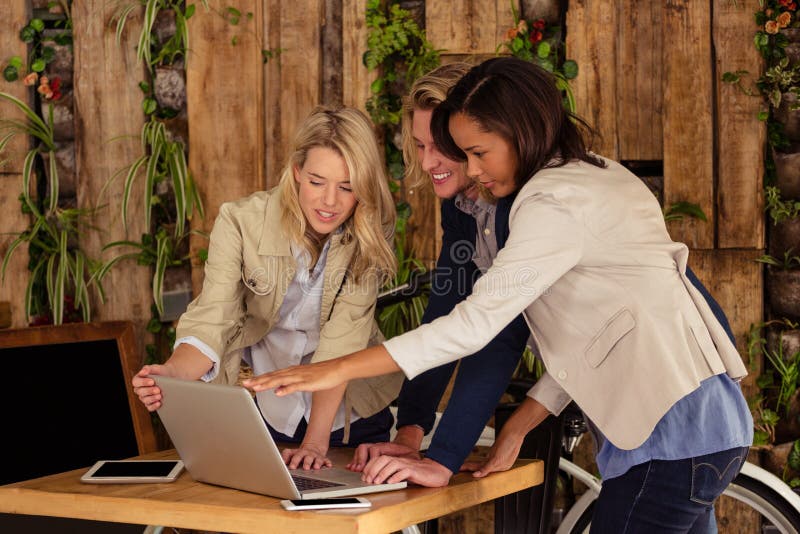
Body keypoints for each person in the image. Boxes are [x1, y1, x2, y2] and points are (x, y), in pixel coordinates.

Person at [246, 58, 753, 532]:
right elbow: (596, 334)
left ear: (517, 133)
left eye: (475, 153)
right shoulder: (586, 176)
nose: (466, 169)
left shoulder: (549, 205)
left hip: (669, 438)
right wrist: (500, 426)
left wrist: (335, 369)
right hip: (701, 429)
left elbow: (481, 327)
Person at [132, 106, 403, 471]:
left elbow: (344, 341)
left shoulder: (370, 229)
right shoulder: (240, 222)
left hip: (351, 416)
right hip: (270, 413)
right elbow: (215, 315)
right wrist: (174, 375)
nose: (330, 201)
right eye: (317, 182)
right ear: (297, 171)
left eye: (347, 187)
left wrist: (315, 443)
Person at [346, 63, 530, 487]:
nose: (428, 162)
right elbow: (446, 308)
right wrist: (410, 431)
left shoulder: (521, 208)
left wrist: (443, 457)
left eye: (440, 146)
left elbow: (498, 333)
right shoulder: (462, 207)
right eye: (419, 145)